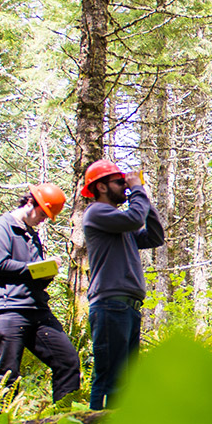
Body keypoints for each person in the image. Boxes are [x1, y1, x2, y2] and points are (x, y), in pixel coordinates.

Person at [0, 183, 82, 405]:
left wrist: (47, 272)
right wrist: (37, 269)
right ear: (29, 203)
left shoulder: (32, 235)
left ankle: (63, 417)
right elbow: (0, 265)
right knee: (8, 374)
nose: (43, 220)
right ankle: (2, 423)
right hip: (7, 309)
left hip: (37, 310)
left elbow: (34, 274)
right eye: (42, 214)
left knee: (68, 362)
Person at [79, 159, 165, 410]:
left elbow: (154, 236)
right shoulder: (96, 212)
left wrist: (142, 194)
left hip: (127, 306)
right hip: (110, 304)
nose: (125, 188)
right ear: (101, 187)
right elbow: (135, 218)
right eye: (119, 182)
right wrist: (137, 190)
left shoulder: (118, 222)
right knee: (110, 377)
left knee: (125, 380)